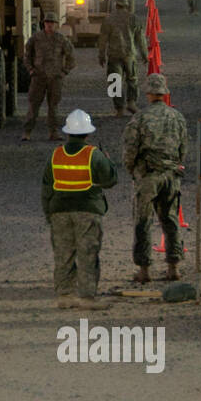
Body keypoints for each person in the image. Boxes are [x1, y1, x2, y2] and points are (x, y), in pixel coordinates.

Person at [41, 109, 118, 310]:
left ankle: (65, 295)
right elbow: (110, 180)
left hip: (59, 211)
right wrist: (108, 161)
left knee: (63, 254)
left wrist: (49, 213)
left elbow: (47, 186)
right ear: (87, 133)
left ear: (67, 132)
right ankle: (86, 297)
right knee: (87, 253)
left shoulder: (56, 154)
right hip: (87, 211)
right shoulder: (94, 154)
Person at [124, 73, 188, 282]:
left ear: (148, 93)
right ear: (164, 93)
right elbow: (183, 148)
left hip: (148, 175)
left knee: (143, 221)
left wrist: (132, 169)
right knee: (170, 221)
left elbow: (131, 148)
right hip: (171, 175)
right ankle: (173, 267)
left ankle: (144, 270)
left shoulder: (140, 118)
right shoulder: (177, 117)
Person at [22, 13, 76, 142]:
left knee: (53, 106)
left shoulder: (61, 39)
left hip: (55, 78)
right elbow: (27, 55)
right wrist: (30, 69)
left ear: (56, 24)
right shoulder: (36, 38)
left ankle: (53, 132)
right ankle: (27, 132)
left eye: (52, 22)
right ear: (44, 23)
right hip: (38, 77)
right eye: (47, 22)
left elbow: (71, 57)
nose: (49, 24)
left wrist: (64, 72)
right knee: (33, 106)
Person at [97, 0, 148, 116]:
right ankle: (131, 103)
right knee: (132, 79)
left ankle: (119, 108)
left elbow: (102, 40)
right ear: (126, 5)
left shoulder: (108, 19)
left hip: (114, 55)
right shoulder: (133, 18)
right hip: (129, 54)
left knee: (114, 80)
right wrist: (145, 54)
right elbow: (140, 39)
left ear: (116, 5)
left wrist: (101, 55)